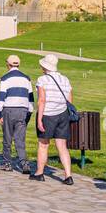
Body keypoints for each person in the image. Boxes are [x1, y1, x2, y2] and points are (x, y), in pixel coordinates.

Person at [32, 54, 75, 184]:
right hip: (62, 114)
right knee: (62, 146)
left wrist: (39, 119)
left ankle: (39, 173)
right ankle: (68, 175)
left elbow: (41, 100)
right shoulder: (65, 79)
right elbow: (69, 100)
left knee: (43, 144)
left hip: (47, 114)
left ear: (44, 66)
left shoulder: (42, 80)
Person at [0, 54, 33, 173]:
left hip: (9, 109)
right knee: (20, 138)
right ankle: (24, 162)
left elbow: (2, 96)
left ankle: (8, 163)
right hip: (23, 110)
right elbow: (30, 97)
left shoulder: (5, 78)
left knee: (7, 137)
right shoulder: (26, 78)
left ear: (8, 64)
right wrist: (30, 112)